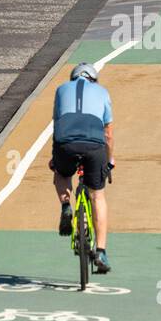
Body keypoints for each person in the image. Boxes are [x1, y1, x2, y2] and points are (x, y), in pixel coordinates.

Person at [51, 62, 114, 273]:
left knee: (61, 173)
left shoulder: (61, 89)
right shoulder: (103, 92)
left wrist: (55, 158)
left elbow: (57, 124)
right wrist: (110, 160)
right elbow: (108, 135)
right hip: (94, 145)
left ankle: (66, 205)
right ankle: (102, 251)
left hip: (65, 142)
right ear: (94, 80)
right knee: (98, 196)